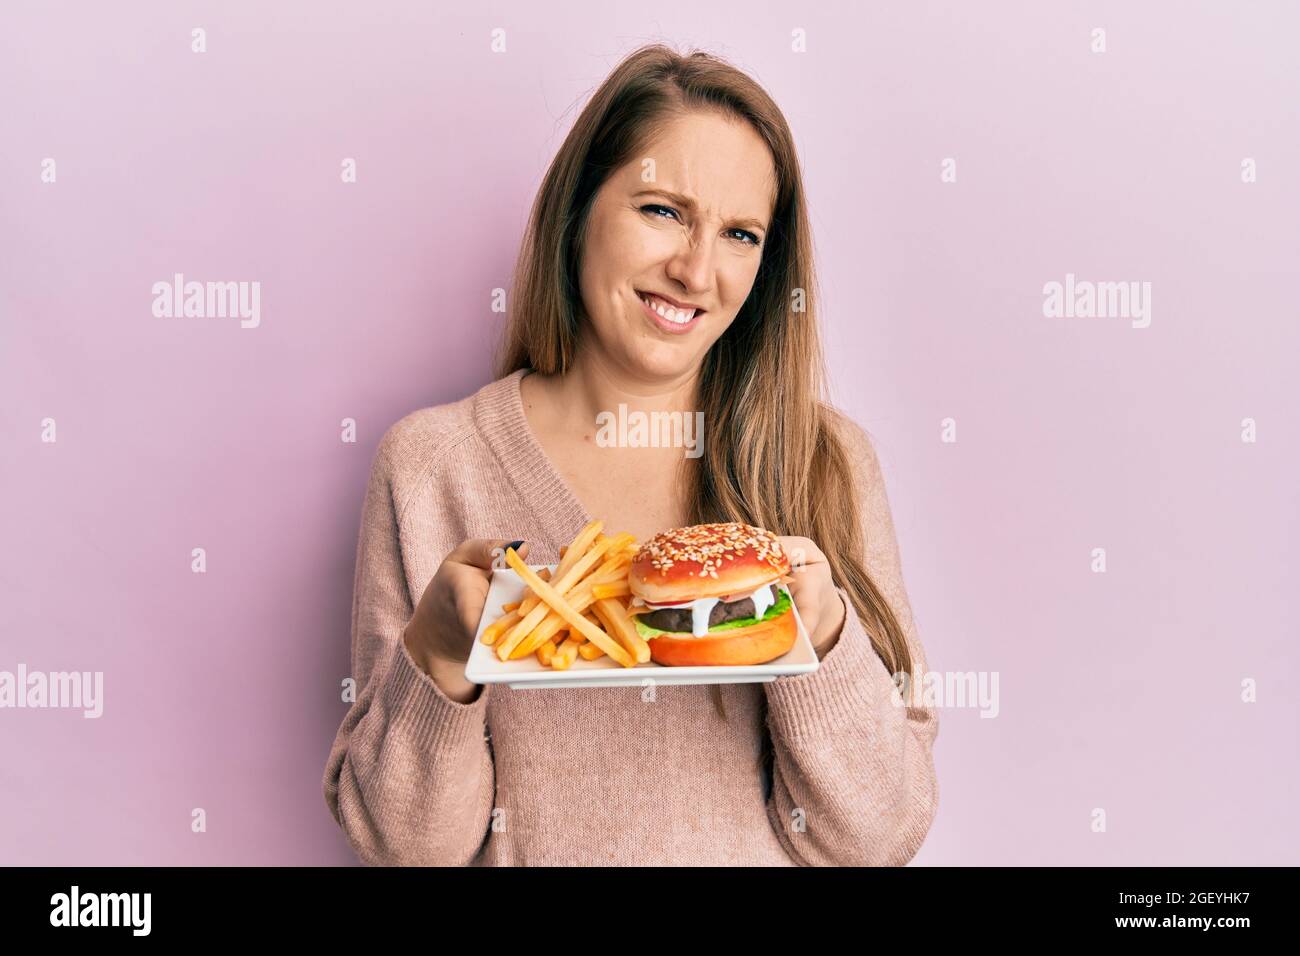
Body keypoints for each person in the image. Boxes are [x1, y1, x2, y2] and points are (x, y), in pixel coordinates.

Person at [322, 43, 939, 866]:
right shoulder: (432, 467)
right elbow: (409, 847)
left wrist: (823, 638)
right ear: (579, 210)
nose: (694, 270)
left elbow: (881, 835)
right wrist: (435, 661)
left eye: (741, 234)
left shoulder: (824, 462)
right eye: (662, 211)